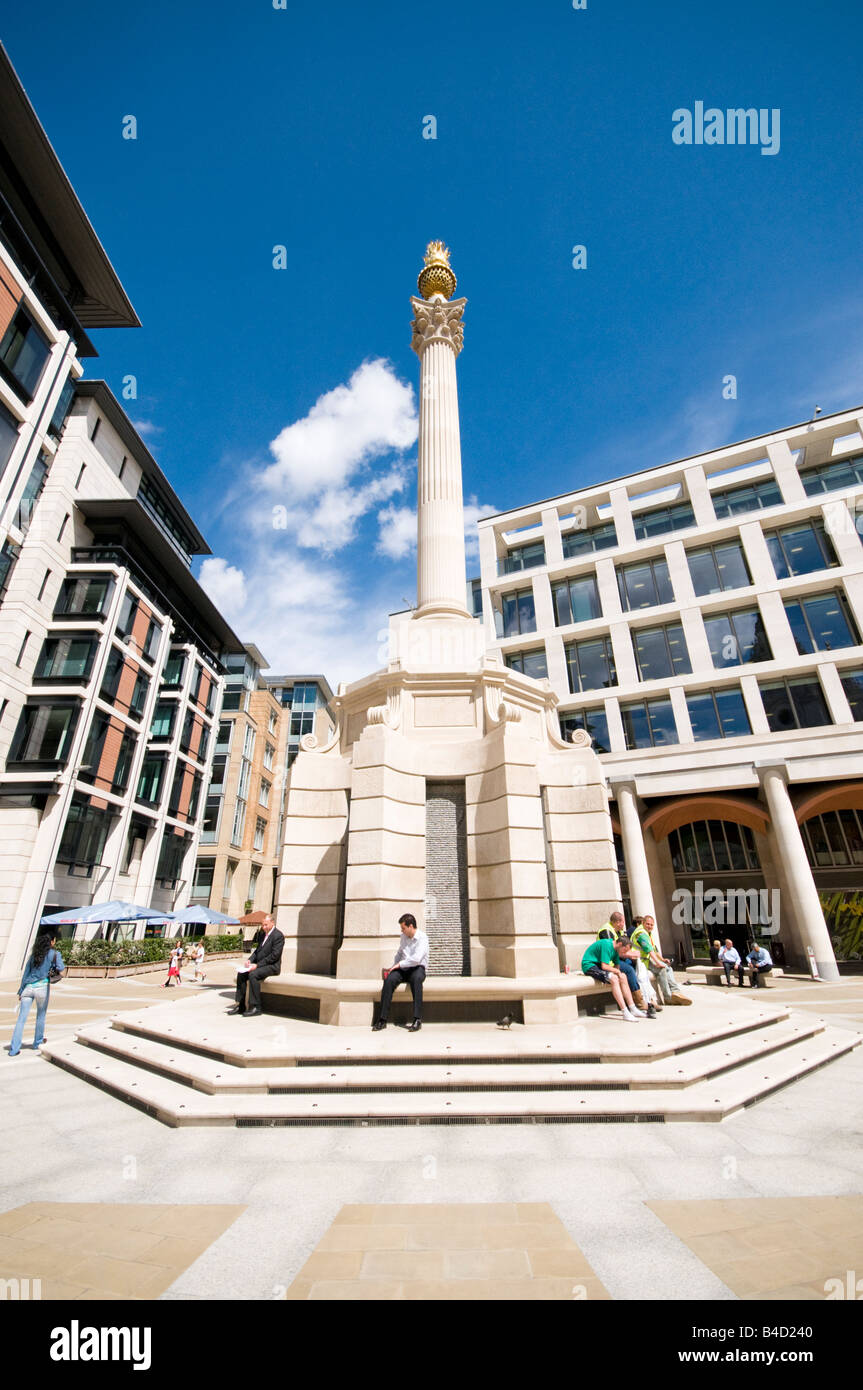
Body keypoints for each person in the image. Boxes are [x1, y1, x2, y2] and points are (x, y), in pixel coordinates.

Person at [9, 930, 64, 1057]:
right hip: (42, 987)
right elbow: (61, 969)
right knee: (41, 1016)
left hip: (28, 987)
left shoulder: (33, 955)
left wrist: (21, 990)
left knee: (21, 1019)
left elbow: (26, 974)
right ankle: (37, 1042)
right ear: (51, 941)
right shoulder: (54, 954)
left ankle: (14, 1048)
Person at [373, 914, 428, 1032]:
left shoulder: (423, 938)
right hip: (403, 968)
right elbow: (399, 953)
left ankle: (417, 1019)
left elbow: (416, 959)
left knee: (417, 980)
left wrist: (399, 965)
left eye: (403, 928)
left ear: (411, 926)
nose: (402, 931)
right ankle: (382, 1019)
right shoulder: (403, 937)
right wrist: (393, 967)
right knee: (389, 980)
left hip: (417, 968)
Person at [228, 914, 284, 1017]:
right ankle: (240, 1005)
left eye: (266, 925)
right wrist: (250, 960)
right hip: (260, 965)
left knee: (253, 975)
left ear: (272, 923)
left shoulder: (278, 936)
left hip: (272, 966)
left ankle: (256, 1007)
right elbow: (257, 951)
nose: (264, 927)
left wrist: (257, 965)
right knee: (241, 973)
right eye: (262, 925)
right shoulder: (263, 935)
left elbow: (274, 956)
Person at [580, 936, 645, 1022]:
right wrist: (616, 972)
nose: (625, 953)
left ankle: (632, 1008)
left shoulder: (616, 950)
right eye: (625, 950)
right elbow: (604, 966)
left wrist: (619, 973)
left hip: (599, 966)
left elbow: (617, 965)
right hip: (590, 966)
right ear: (620, 944)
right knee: (614, 978)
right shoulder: (607, 945)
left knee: (623, 976)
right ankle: (625, 1012)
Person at [639, 914, 692, 1006]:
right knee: (661, 969)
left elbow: (654, 950)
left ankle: (675, 992)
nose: (649, 926)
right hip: (641, 961)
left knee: (668, 968)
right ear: (643, 923)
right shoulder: (641, 933)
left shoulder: (648, 934)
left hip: (646, 959)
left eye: (651, 925)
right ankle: (668, 998)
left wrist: (662, 960)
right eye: (647, 924)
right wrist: (658, 963)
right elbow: (649, 950)